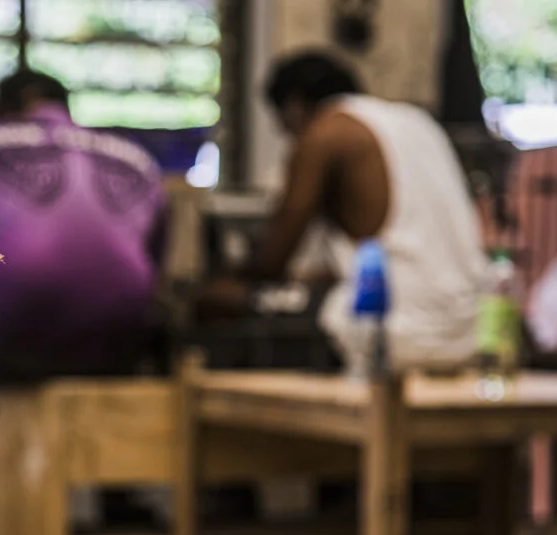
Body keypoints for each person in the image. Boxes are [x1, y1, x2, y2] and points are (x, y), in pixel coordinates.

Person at [205, 51, 489, 370]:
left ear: (294, 107)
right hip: (471, 330)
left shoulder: (324, 133)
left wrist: (232, 276)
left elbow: (272, 261)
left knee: (221, 298)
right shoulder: (417, 122)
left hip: (396, 331)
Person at [0, 70, 167, 387]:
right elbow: (156, 257)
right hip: (116, 334)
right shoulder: (136, 158)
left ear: (4, 111)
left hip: (6, 328)